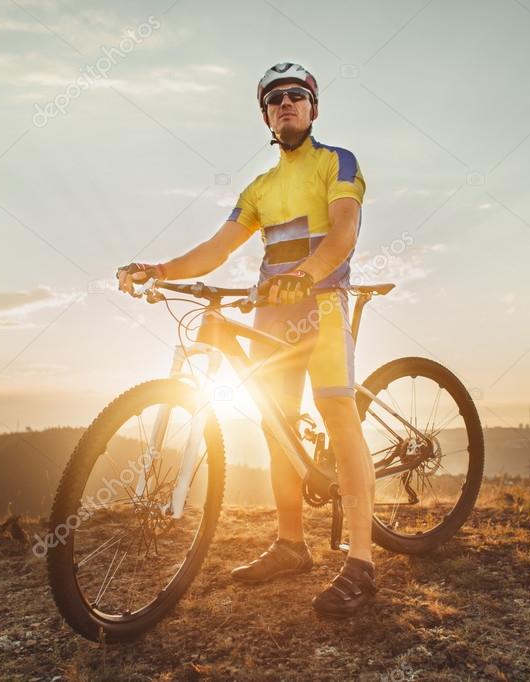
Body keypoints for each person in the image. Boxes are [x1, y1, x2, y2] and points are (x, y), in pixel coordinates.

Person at [118, 62, 376, 618]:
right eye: (275, 99)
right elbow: (215, 249)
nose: (286, 104)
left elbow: (344, 230)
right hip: (273, 312)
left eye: (297, 96)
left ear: (313, 108)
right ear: (266, 114)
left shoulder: (338, 162)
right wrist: (159, 269)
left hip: (323, 305)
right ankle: (291, 545)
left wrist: (306, 275)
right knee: (274, 420)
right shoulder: (259, 188)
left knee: (337, 411)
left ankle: (360, 561)